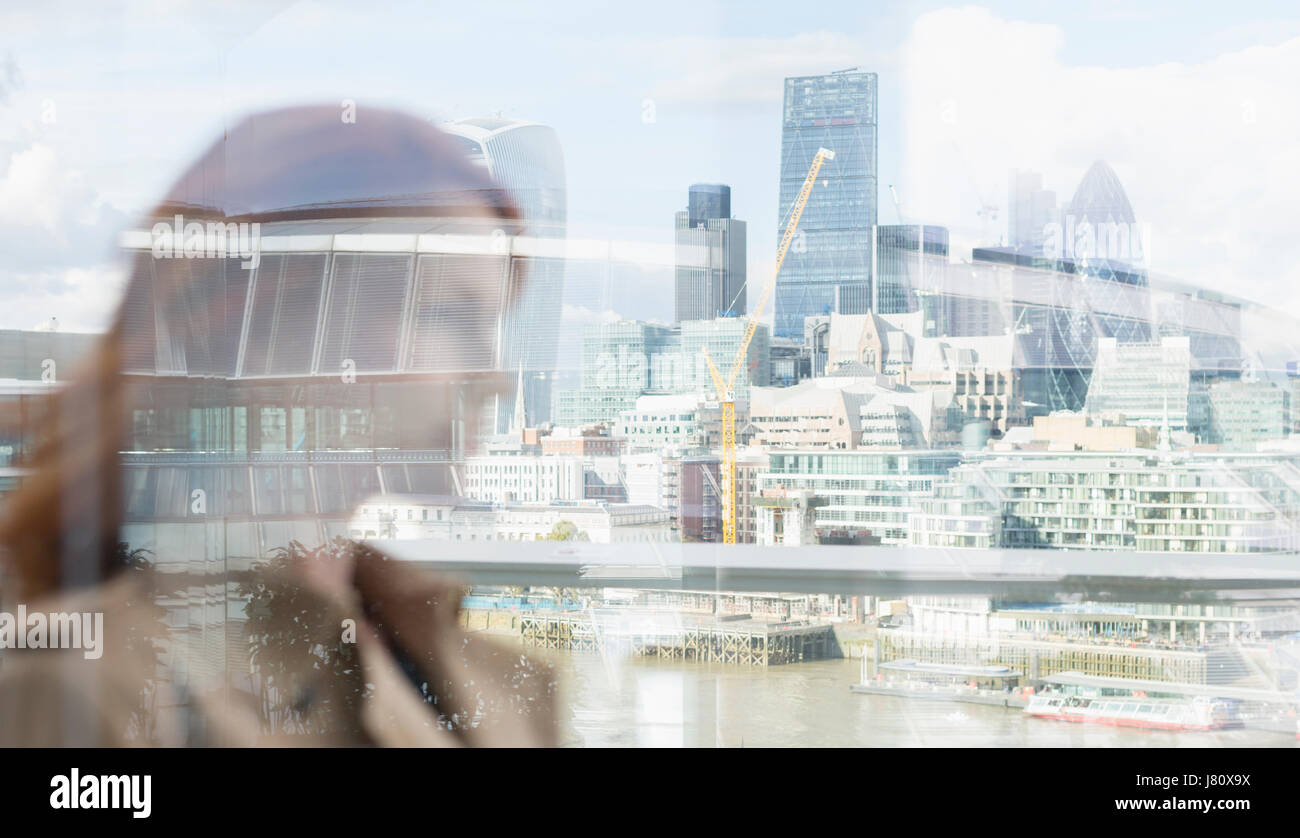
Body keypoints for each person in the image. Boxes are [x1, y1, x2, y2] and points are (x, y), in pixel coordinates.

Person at [0, 106, 558, 746]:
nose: (494, 377)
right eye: (445, 315)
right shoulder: (83, 691)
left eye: (487, 326)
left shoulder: (476, 673)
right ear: (267, 330)